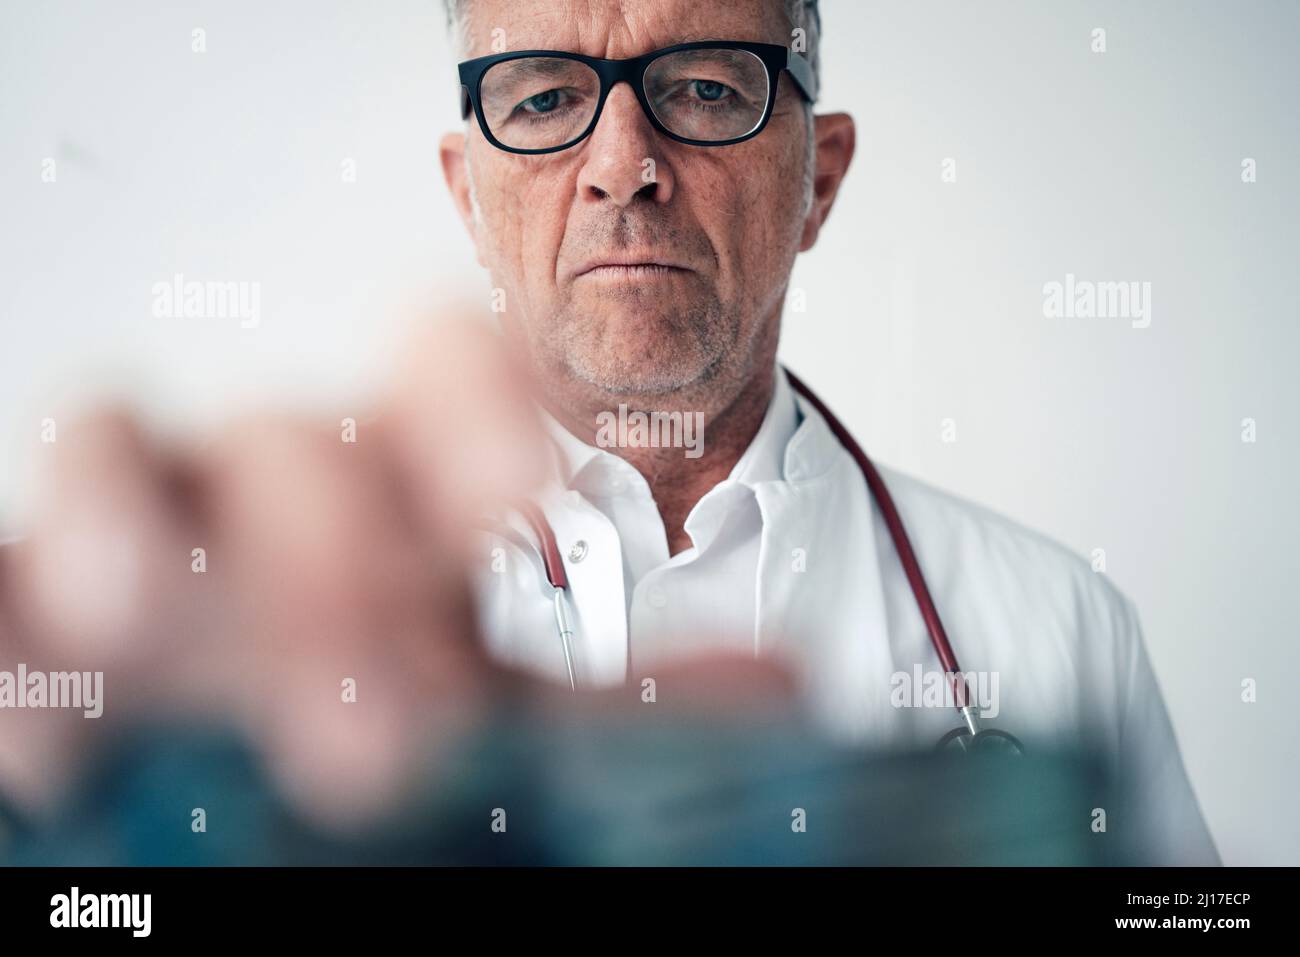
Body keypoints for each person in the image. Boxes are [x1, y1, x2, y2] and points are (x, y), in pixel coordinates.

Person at [0, 0, 1218, 864]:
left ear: (821, 178)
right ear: (463, 193)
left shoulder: (1062, 632)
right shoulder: (254, 636)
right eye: (541, 97)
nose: (623, 164)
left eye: (704, 87)